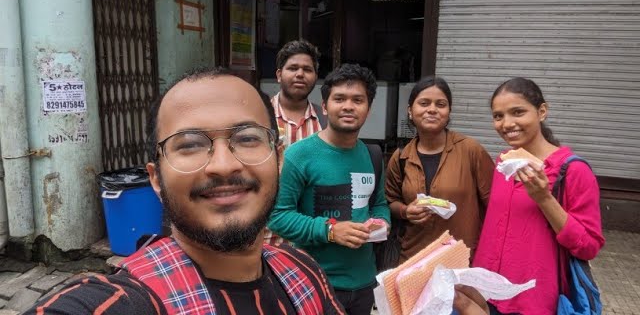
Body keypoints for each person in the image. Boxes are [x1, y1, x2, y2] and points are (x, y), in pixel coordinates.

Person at [22, 67, 347, 315]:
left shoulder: (304, 271)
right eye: (190, 145)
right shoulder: (128, 300)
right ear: (155, 178)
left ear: (277, 159)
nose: (223, 165)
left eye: (247, 138)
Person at [457, 78, 605, 315]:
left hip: (534, 303)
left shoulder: (574, 170)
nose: (507, 124)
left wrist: (544, 198)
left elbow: (588, 247)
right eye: (498, 116)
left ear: (542, 111)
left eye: (518, 112)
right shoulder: (504, 162)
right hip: (486, 296)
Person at [268, 64, 392, 315]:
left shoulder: (373, 155)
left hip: (363, 283)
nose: (348, 106)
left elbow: (378, 204)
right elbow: (278, 215)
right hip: (313, 281)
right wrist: (331, 231)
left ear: (368, 109)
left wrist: (382, 224)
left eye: (358, 100)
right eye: (339, 99)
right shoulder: (299, 155)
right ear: (324, 107)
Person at [385, 77, 494, 260]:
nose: (432, 110)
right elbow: (390, 201)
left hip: (460, 260)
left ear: (449, 112)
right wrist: (405, 211)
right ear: (410, 111)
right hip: (413, 260)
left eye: (441, 104)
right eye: (424, 103)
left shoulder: (470, 150)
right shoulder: (401, 156)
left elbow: (494, 205)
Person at [266, 39, 323, 248]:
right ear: (279, 74)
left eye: (307, 69)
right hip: (265, 234)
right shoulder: (259, 116)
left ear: (315, 77)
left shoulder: (325, 121)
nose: (300, 74)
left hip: (312, 234)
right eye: (293, 68)